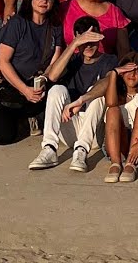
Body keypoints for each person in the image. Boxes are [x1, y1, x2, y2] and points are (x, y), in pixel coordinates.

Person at [29, 17, 117, 173]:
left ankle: (81, 151)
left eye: (92, 40)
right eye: (84, 41)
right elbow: (53, 76)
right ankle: (49, 148)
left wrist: (82, 100)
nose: (89, 45)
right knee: (57, 89)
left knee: (98, 93)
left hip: (93, 132)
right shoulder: (72, 59)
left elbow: (108, 81)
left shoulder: (110, 60)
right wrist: (74, 44)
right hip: (69, 124)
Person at [0, 0, 63, 145]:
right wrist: (25, 90)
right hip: (8, 86)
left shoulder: (55, 27)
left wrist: (42, 84)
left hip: (35, 84)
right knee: (4, 137)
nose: (44, 1)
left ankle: (27, 115)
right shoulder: (17, 23)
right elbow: (2, 62)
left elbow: (54, 63)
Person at [74, 53, 138, 184]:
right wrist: (113, 73)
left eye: (137, 71)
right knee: (113, 110)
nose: (132, 74)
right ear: (122, 73)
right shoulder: (117, 93)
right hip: (120, 142)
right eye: (128, 70)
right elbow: (111, 104)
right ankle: (115, 164)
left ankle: (130, 165)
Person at [62, 0, 130, 56]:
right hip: (71, 62)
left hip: (104, 65)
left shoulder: (115, 12)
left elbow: (123, 50)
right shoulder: (66, 7)